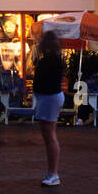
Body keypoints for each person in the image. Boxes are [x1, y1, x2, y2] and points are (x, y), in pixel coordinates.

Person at [32, 30, 65, 186]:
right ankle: (51, 172)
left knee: (49, 135)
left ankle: (53, 173)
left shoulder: (50, 60)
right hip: (49, 96)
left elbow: (41, 78)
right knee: (48, 135)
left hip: (49, 97)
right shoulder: (54, 59)